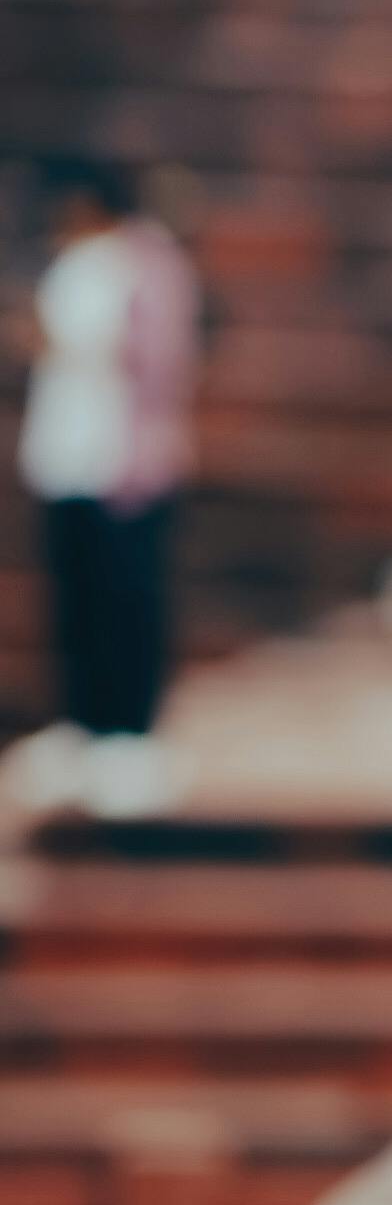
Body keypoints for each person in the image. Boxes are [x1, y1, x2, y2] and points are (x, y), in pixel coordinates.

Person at [11, 158, 201, 818]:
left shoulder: (147, 265)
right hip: (68, 461)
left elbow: (154, 360)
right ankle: (84, 727)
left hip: (128, 466)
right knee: (77, 603)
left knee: (128, 603)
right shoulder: (71, 264)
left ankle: (130, 738)